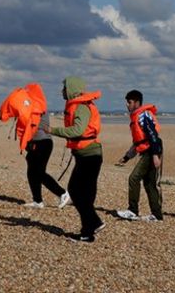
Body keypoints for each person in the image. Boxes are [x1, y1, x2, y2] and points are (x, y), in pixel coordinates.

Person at [45, 76, 104, 243]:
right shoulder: (78, 105)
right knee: (84, 194)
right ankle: (87, 232)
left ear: (71, 89)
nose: (62, 91)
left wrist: (52, 130)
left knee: (76, 191)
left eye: (64, 88)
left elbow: (78, 130)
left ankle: (94, 223)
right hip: (86, 155)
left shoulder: (81, 107)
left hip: (90, 155)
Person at [115, 90, 163, 221]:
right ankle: (157, 215)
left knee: (134, 178)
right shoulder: (137, 117)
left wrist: (154, 155)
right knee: (149, 184)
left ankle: (132, 211)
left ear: (137, 102)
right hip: (150, 150)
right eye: (127, 102)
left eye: (129, 102)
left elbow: (152, 135)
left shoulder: (144, 115)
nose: (127, 105)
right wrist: (126, 157)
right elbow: (138, 142)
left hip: (151, 151)